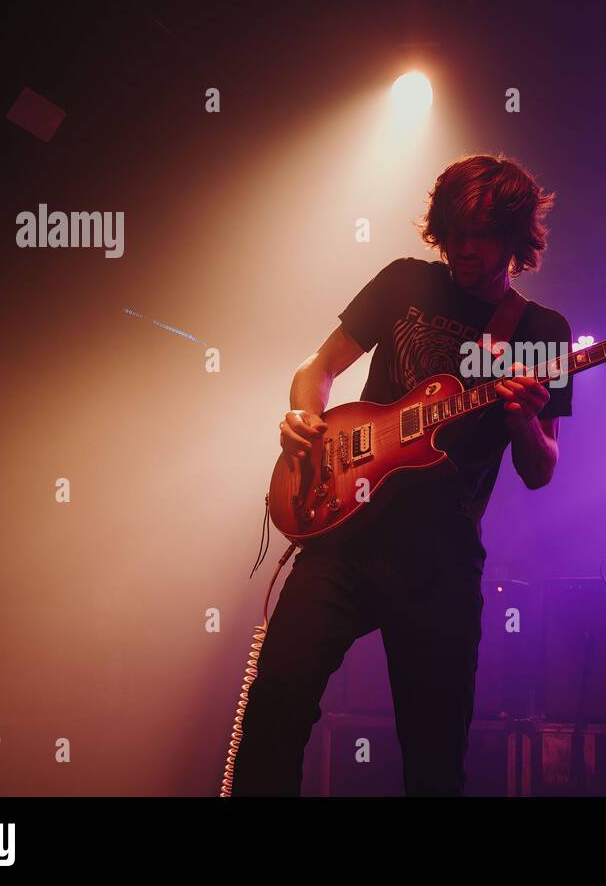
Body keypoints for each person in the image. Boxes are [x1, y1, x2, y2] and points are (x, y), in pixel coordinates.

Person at [229, 154, 572, 796]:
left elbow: (541, 470)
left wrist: (525, 420)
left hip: (439, 559)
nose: (464, 250)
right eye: (453, 232)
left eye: (483, 235)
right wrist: (304, 414)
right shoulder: (405, 281)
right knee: (275, 702)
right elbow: (319, 366)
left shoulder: (539, 332)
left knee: (434, 752)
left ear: (516, 237)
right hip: (344, 537)